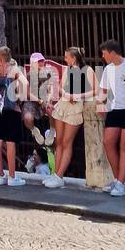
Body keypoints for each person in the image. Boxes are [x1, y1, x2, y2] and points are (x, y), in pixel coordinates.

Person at [44, 46, 96, 189]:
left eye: (67, 56)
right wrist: (67, 95)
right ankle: (55, 175)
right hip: (63, 105)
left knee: (67, 142)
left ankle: (60, 175)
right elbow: (60, 88)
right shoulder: (68, 70)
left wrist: (78, 96)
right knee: (59, 141)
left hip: (75, 108)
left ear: (73, 58)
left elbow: (95, 90)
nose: (65, 59)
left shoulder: (88, 70)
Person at [98, 39, 125, 198]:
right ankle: (118, 180)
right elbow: (103, 90)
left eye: (104, 53)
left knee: (124, 145)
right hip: (115, 109)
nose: (102, 56)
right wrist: (100, 105)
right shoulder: (107, 69)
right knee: (108, 142)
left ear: (112, 52)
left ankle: (121, 183)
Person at [0, 47, 28, 186]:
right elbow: (25, 83)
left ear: (0, 57)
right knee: (10, 142)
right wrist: (19, 98)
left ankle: (0, 174)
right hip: (12, 109)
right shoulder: (14, 69)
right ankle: (12, 177)